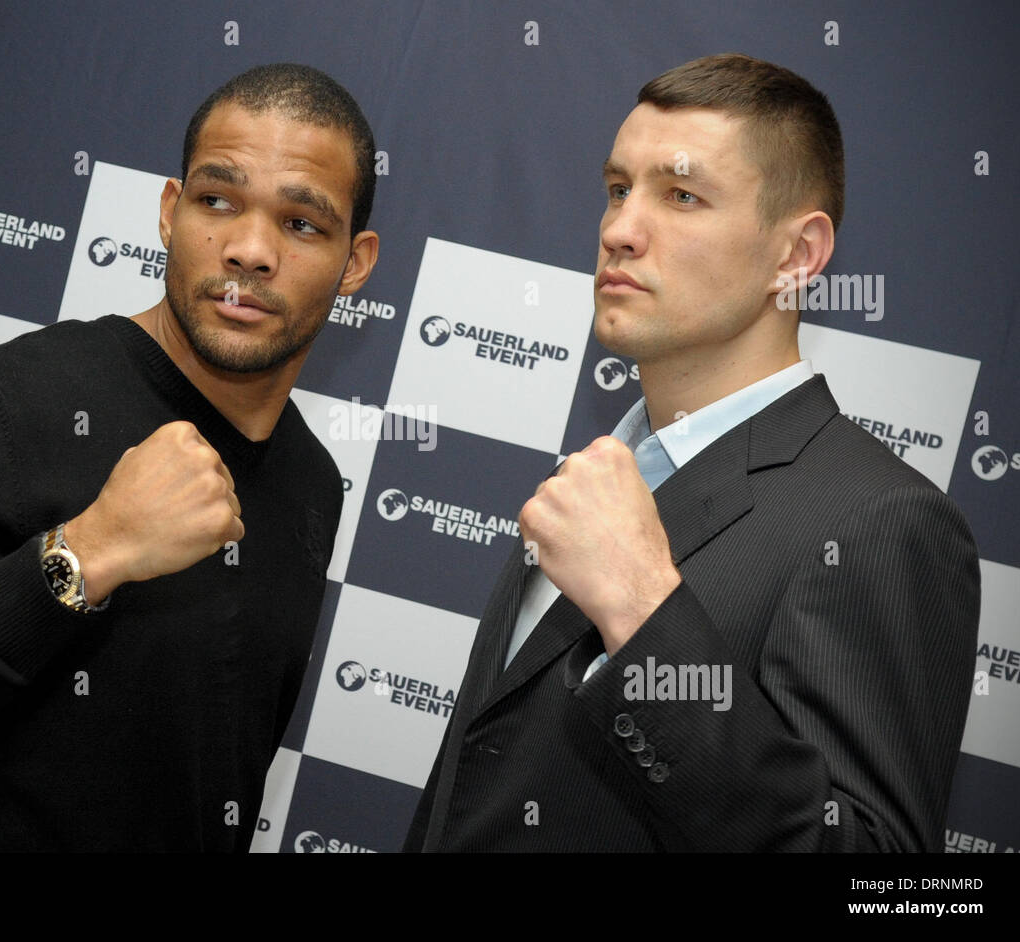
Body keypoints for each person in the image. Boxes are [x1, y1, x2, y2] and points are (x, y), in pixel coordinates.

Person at [0, 62, 380, 852]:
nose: (250, 249)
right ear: (169, 212)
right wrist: (81, 558)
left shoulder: (312, 482)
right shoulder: (5, 403)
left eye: (301, 224)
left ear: (355, 263)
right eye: (217, 200)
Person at [405, 53, 980, 852]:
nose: (618, 231)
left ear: (798, 256)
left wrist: (643, 616)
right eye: (617, 189)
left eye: (680, 196)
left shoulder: (885, 523)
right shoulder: (604, 470)